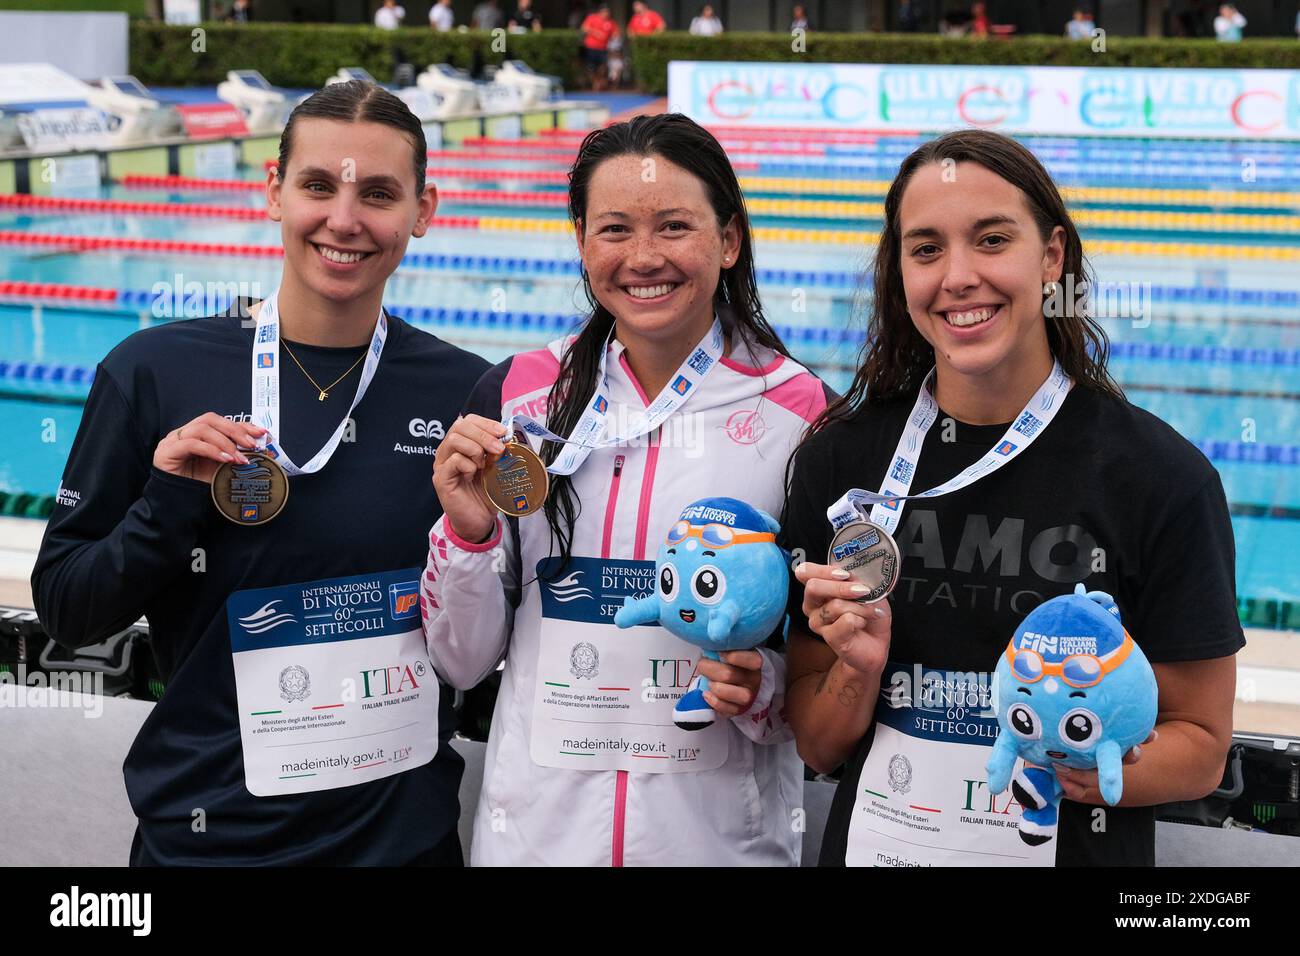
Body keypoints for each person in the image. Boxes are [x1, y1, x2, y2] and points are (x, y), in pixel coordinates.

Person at [31, 81, 489, 866]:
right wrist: (167, 502)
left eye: (378, 193)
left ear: (424, 211)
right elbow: (70, 612)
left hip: (398, 845)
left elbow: (494, 624)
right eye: (318, 185)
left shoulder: (467, 394)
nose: (345, 220)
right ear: (273, 191)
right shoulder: (154, 372)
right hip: (209, 843)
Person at [781, 129, 1241, 867]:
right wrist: (856, 672)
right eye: (926, 249)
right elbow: (814, 738)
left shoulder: (1160, 480)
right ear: (901, 273)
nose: (958, 276)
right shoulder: (844, 462)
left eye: (992, 240)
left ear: (1052, 257)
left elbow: (1202, 746)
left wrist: (1065, 764)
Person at [420, 114, 829, 866]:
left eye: (675, 226)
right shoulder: (516, 399)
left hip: (716, 844)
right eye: (613, 230)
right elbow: (463, 663)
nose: (644, 258)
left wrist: (761, 686)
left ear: (729, 240)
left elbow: (819, 676)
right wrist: (470, 537)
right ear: (581, 240)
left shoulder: (800, 414)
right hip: (538, 843)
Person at [580, 4, 619, 92]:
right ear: (600, 12)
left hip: (603, 48)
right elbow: (584, 28)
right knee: (591, 67)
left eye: (607, 12)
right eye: (604, 11)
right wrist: (595, 32)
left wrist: (614, 37)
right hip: (591, 47)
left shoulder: (611, 22)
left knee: (603, 66)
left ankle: (600, 81)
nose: (606, 14)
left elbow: (615, 33)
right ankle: (595, 82)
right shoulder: (592, 18)